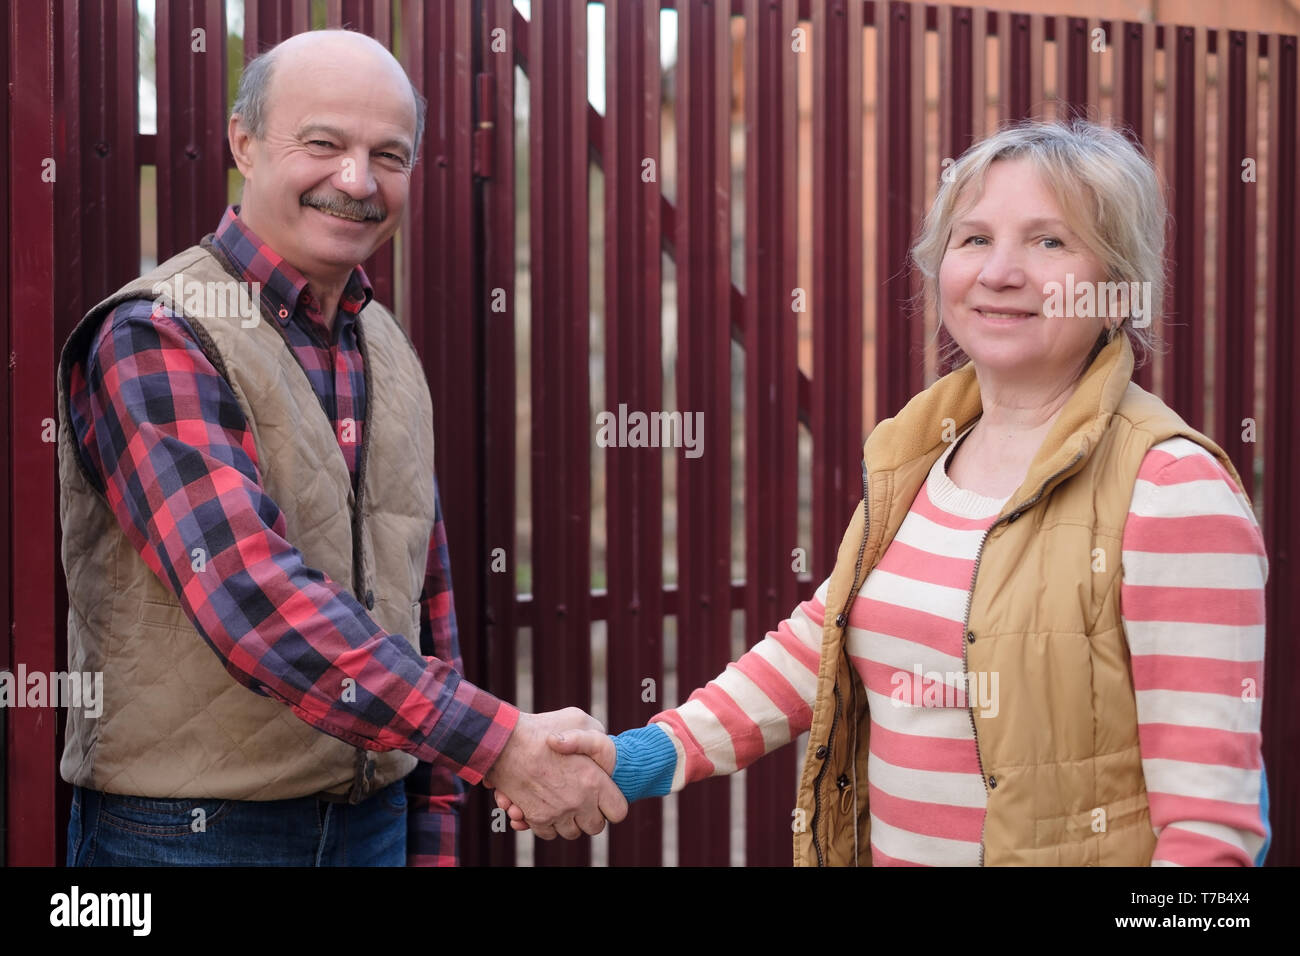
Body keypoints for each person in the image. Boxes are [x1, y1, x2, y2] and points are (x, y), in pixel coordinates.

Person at [498, 120, 1272, 866]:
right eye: (974, 239)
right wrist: (636, 759)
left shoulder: (1171, 489)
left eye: (1050, 241)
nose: (1000, 272)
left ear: (1118, 286)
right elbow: (820, 643)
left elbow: (1209, 828)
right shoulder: (925, 455)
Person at [57, 28, 622, 867]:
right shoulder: (157, 334)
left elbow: (425, 615)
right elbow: (250, 598)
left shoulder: (384, 345)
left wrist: (430, 832)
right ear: (245, 143)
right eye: (323, 144)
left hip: (374, 825)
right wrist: (500, 743)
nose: (357, 181)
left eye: (388, 156)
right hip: (191, 838)